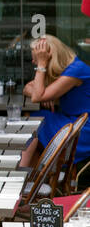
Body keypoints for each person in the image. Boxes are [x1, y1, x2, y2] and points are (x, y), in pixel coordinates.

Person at [20, 35, 90, 170]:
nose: (34, 61)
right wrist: (43, 94)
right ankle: (30, 178)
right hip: (73, 121)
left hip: (84, 128)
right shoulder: (67, 70)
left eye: (37, 57)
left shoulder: (76, 70)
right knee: (35, 118)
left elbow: (36, 97)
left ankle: (22, 174)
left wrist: (41, 65)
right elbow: (27, 88)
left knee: (34, 120)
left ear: (50, 57)